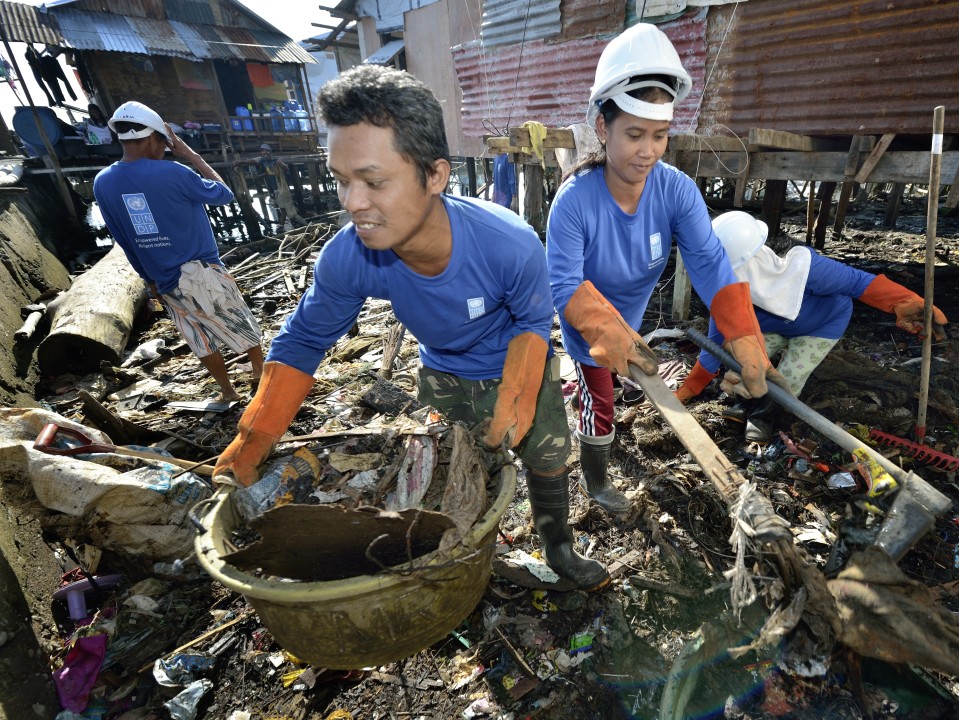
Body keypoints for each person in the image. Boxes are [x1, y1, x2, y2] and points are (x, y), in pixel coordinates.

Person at [214, 65, 610, 591]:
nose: (353, 202)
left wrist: (516, 393)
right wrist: (254, 435)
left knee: (547, 456)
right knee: (447, 472)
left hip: (517, 359)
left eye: (374, 181)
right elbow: (306, 339)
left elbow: (532, 321)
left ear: (435, 176)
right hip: (442, 371)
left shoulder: (508, 243)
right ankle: (454, 562)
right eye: (341, 180)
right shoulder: (349, 258)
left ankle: (558, 548)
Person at [546, 23, 783, 515]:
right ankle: (595, 480)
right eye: (634, 134)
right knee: (601, 399)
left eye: (659, 135)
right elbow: (565, 286)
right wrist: (608, 337)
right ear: (602, 128)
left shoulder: (675, 189)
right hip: (587, 323)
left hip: (631, 321)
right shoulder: (573, 204)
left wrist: (744, 339)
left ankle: (602, 404)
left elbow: (712, 263)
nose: (648, 150)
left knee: (622, 378)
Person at [676, 211, 949, 441]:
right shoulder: (727, 291)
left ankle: (764, 416)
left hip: (820, 325)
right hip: (772, 327)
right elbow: (714, 345)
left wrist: (904, 301)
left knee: (790, 376)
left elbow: (857, 283)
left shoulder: (805, 268)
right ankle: (744, 401)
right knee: (741, 359)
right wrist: (690, 388)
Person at [93, 101, 264, 402]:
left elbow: (123, 239)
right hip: (202, 270)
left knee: (197, 336)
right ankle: (259, 371)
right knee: (238, 319)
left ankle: (227, 391)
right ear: (152, 138)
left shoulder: (103, 182)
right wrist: (191, 155)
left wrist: (149, 281)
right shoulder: (174, 171)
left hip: (165, 279)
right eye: (164, 141)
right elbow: (223, 194)